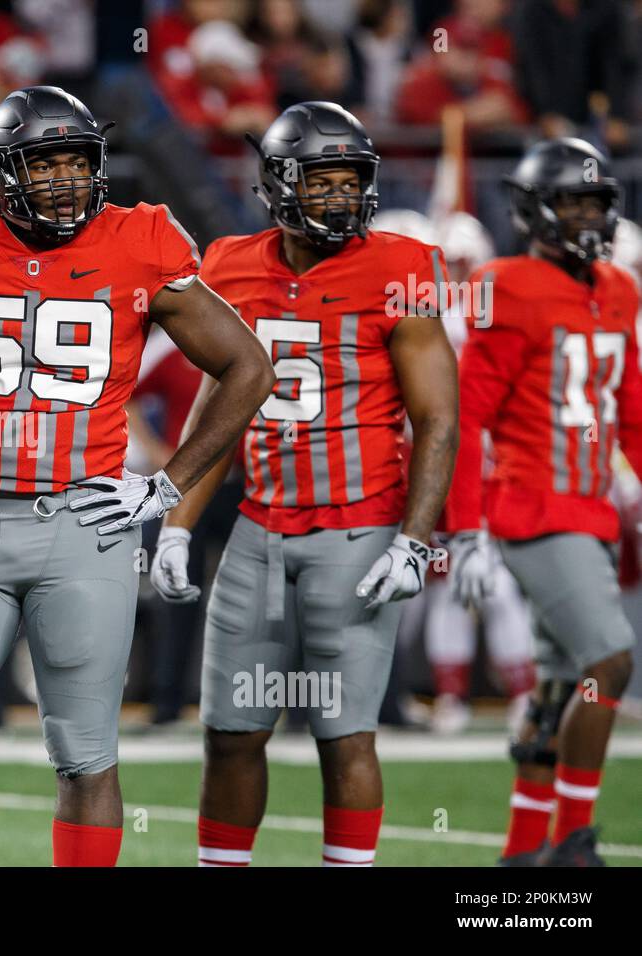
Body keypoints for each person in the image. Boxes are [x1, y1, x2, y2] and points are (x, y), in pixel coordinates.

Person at [0, 85, 275, 866]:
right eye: (45, 164)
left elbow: (247, 367)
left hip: (84, 528)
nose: (65, 180)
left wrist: (166, 485)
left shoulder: (142, 239)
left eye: (76, 162)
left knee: (87, 758)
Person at [151, 102, 459, 867]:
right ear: (280, 184)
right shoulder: (226, 263)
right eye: (323, 182)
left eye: (352, 181)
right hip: (258, 532)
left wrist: (415, 541)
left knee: (343, 733)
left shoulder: (402, 266)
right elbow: (216, 407)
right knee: (230, 732)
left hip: (357, 533)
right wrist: (178, 522)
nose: (341, 198)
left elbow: (439, 417)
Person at [448, 138, 640, 866]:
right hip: (534, 506)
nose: (587, 216)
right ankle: (576, 839)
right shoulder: (506, 284)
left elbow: (631, 405)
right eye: (572, 202)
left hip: (592, 509)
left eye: (596, 202)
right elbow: (468, 420)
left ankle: (522, 851)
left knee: (562, 687)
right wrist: (464, 529)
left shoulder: (619, 288)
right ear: (534, 210)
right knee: (611, 662)